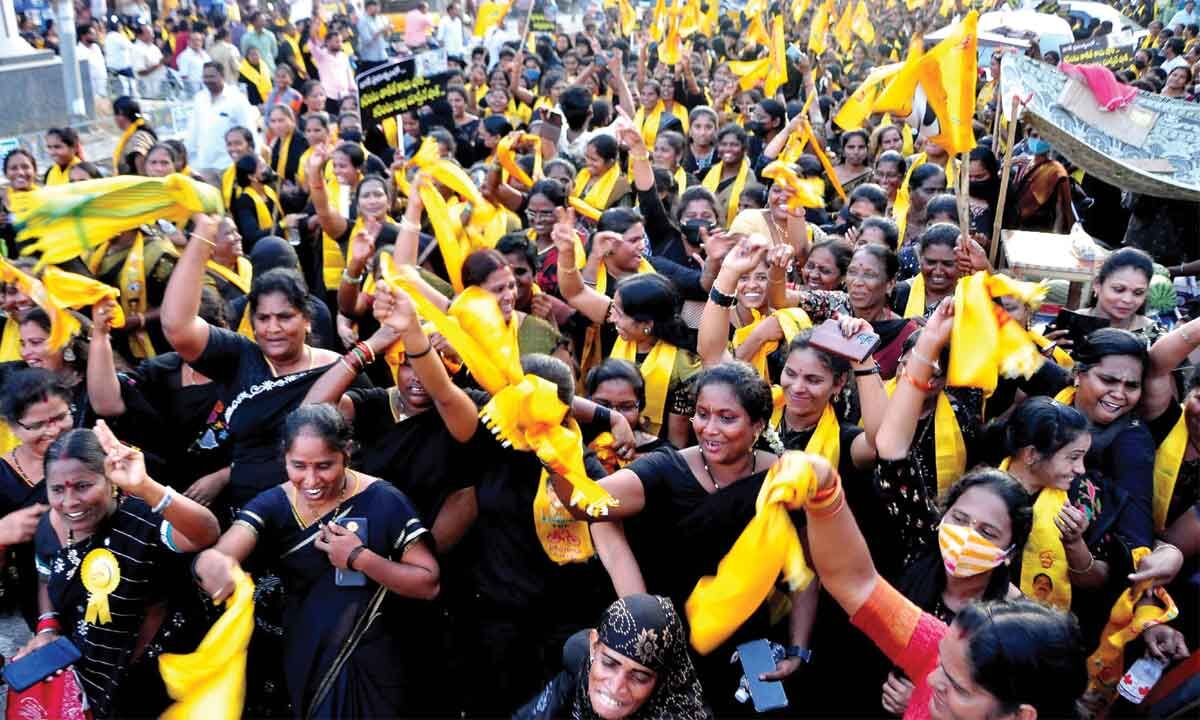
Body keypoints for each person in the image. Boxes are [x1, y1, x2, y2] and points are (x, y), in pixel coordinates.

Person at [800, 450, 1089, 720]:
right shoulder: (957, 645)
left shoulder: (992, 649)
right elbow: (855, 582)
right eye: (959, 519)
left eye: (960, 688)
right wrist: (825, 493)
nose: (930, 679)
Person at [193, 404, 439, 717]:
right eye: (298, 466)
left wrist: (358, 557)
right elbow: (230, 546)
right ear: (284, 457)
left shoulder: (384, 499)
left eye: (325, 466)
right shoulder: (273, 504)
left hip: (379, 663)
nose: (311, 480)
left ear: (346, 453)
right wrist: (214, 563)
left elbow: (428, 583)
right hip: (308, 659)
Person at [16, 423, 220, 718]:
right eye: (57, 489)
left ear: (111, 480)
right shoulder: (50, 525)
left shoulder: (142, 518)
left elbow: (206, 533)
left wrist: (145, 486)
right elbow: (46, 574)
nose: (70, 502)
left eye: (84, 486)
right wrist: (48, 627)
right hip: (90, 669)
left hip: (156, 675)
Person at [161, 214, 343, 508]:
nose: (273, 328)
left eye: (284, 317)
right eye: (263, 318)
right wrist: (203, 234)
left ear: (307, 320)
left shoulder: (336, 369)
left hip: (316, 510)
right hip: (248, 511)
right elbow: (176, 326)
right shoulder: (239, 356)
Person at [884, 469, 1033, 715]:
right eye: (960, 519)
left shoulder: (1010, 619)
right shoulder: (912, 556)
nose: (966, 537)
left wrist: (924, 702)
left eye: (987, 533)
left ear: (1011, 552)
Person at [516, 594, 710, 718]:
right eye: (609, 663)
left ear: (662, 681)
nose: (617, 686)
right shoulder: (580, 662)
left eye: (640, 677)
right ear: (593, 646)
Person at [0, 369, 70, 628]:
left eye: (60, 417)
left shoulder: (96, 452)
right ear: (12, 426)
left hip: (109, 585)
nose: (53, 431)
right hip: (42, 601)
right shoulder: (3, 476)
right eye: (37, 425)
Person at [1072, 247, 1166, 346]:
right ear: (1097, 285)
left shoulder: (1156, 336)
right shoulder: (1072, 324)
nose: (1127, 300)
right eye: (1118, 289)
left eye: (1138, 293)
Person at [187, 62, 259, 181]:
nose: (207, 80)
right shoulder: (199, 98)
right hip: (205, 164)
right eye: (205, 77)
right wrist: (189, 157)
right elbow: (193, 129)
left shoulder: (236, 99)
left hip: (229, 164)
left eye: (211, 76)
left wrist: (254, 159)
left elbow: (249, 129)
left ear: (222, 76)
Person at [1010, 131, 1072, 234]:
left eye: (1043, 138)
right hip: (1016, 226)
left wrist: (1055, 238)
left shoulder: (1057, 171)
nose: (1038, 141)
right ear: (1028, 137)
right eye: (1034, 136)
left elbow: (1060, 210)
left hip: (1043, 229)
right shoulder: (1021, 163)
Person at [230, 154, 280, 245]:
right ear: (252, 177)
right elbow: (252, 236)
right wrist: (282, 226)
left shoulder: (269, 191)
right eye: (262, 167)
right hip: (262, 250)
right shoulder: (244, 201)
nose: (268, 168)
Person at [308, 27, 355, 114]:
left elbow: (349, 75)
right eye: (336, 41)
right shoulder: (321, 55)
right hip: (329, 96)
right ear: (328, 42)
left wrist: (353, 90)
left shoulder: (343, 56)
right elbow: (312, 45)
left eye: (341, 41)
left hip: (345, 95)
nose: (340, 44)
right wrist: (313, 31)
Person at [111, 96, 158, 175]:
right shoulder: (133, 134)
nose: (114, 118)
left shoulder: (139, 135)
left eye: (115, 114)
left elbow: (140, 156)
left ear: (121, 114)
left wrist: (143, 184)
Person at [131, 22, 166, 96]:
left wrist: (165, 61)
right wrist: (158, 65)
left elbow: (161, 61)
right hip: (147, 91)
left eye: (152, 33)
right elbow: (141, 72)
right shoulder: (137, 49)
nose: (153, 35)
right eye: (150, 33)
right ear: (140, 35)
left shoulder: (153, 47)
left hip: (159, 87)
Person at [356, 0, 390, 72]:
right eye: (375, 7)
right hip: (370, 58)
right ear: (368, 8)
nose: (378, 9)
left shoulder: (381, 18)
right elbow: (367, 40)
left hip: (383, 55)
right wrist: (380, 31)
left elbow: (386, 37)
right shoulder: (362, 21)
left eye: (378, 7)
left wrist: (387, 31)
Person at [176, 26, 210, 91]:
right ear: (188, 42)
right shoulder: (185, 56)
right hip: (192, 92)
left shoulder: (205, 55)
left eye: (199, 40)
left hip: (205, 89)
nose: (197, 42)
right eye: (194, 40)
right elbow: (183, 77)